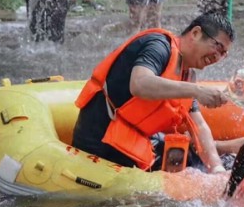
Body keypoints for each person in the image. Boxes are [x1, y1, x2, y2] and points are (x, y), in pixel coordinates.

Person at [72, 13, 233, 173]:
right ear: (196, 33)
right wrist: (197, 90)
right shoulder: (159, 46)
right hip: (99, 141)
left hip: (131, 142)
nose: (217, 57)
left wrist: (216, 168)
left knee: (204, 162)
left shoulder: (188, 75)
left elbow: (199, 125)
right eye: (218, 47)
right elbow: (140, 83)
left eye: (224, 54)